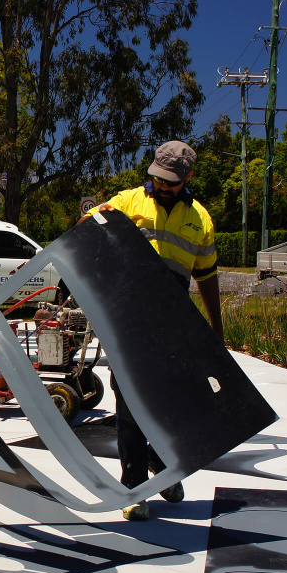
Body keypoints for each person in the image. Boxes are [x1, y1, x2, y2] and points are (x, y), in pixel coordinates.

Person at [85, 140, 223, 521]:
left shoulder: (201, 220)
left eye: (172, 181)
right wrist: (95, 220)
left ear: (188, 177)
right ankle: (133, 488)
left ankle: (162, 464)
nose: (163, 185)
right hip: (126, 317)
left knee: (172, 400)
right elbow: (84, 230)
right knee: (130, 403)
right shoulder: (128, 202)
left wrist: (218, 331)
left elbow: (207, 277)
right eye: (158, 178)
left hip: (172, 323)